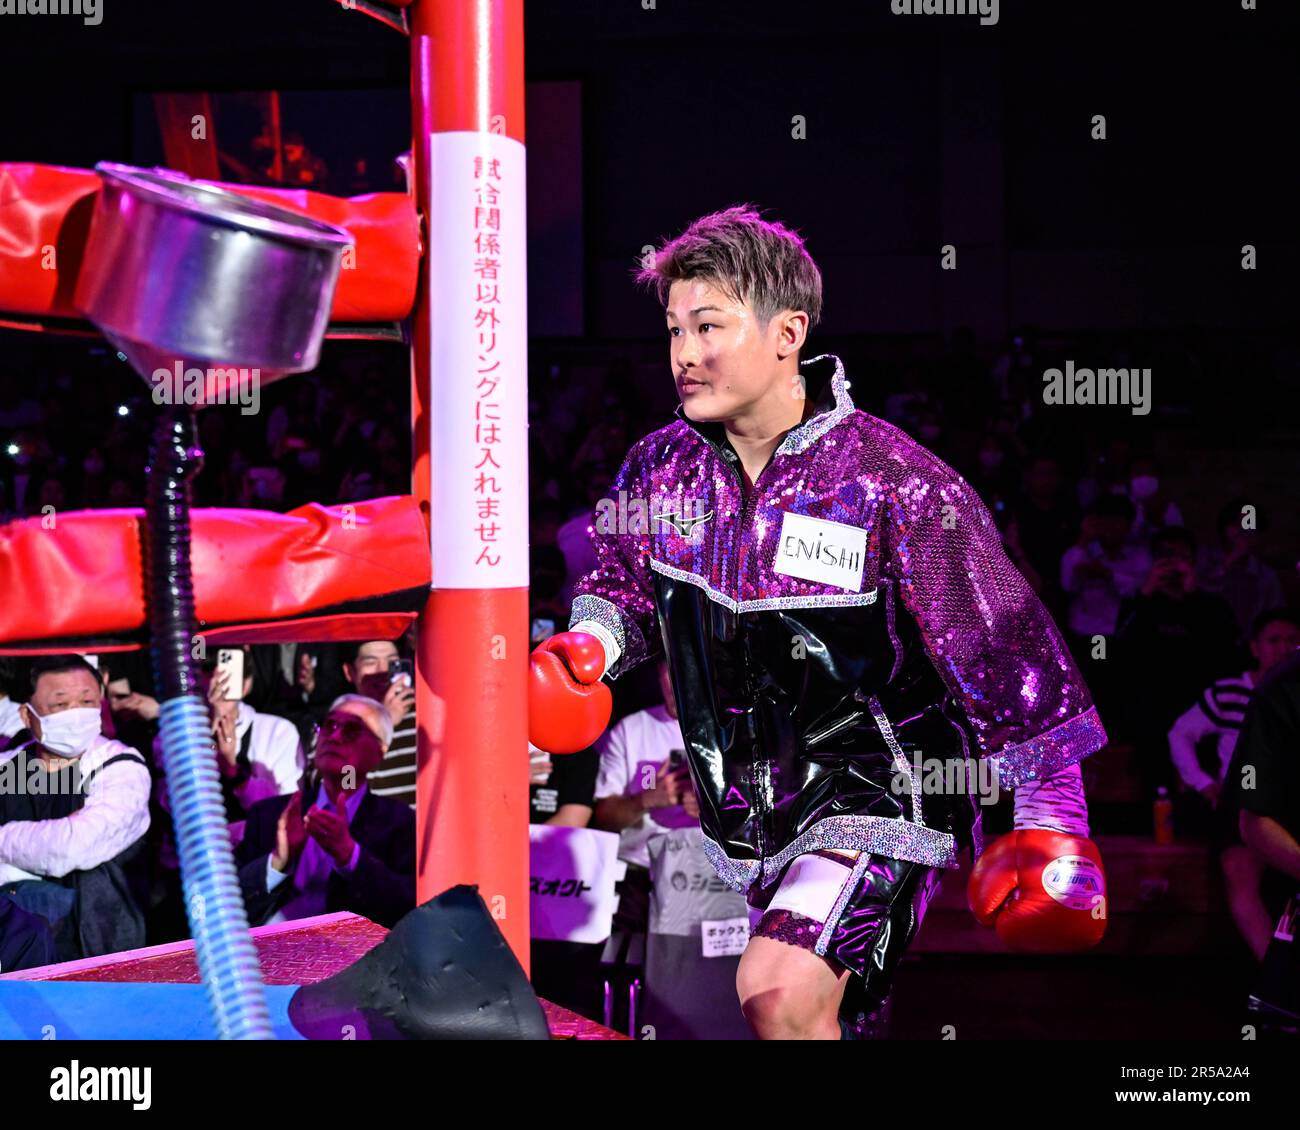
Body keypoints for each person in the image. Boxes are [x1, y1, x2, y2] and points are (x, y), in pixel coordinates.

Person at [530, 205, 1109, 1040]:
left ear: (787, 332)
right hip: (750, 807)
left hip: (886, 789)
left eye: (708, 326)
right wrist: (587, 649)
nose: (684, 355)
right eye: (673, 330)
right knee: (808, 1012)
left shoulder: (894, 481)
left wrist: (1054, 820)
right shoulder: (661, 466)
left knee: (777, 987)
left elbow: (1005, 651)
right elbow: (620, 582)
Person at [0, 655, 151, 960]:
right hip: (15, 937)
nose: (76, 714)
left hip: (94, 939)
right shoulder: (9, 765)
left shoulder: (121, 766)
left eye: (86, 701)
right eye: (60, 705)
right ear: (28, 716)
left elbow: (74, 845)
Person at [234, 695, 415, 928]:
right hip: (267, 956)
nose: (335, 737)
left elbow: (405, 911)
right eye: (330, 725)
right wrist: (277, 863)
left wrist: (351, 857)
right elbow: (225, 906)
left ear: (380, 751)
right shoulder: (270, 815)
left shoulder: (399, 822)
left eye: (352, 730)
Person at [592, 658, 699, 936]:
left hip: (706, 875)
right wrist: (646, 799)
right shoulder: (632, 730)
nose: (675, 685)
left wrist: (717, 812)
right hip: (638, 871)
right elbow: (603, 819)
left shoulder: (729, 732)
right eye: (668, 674)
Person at [341, 640, 416, 805]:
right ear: (349, 672)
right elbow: (343, 789)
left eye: (392, 661)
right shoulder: (335, 726)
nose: (382, 670)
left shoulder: (425, 716)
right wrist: (382, 723)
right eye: (371, 662)